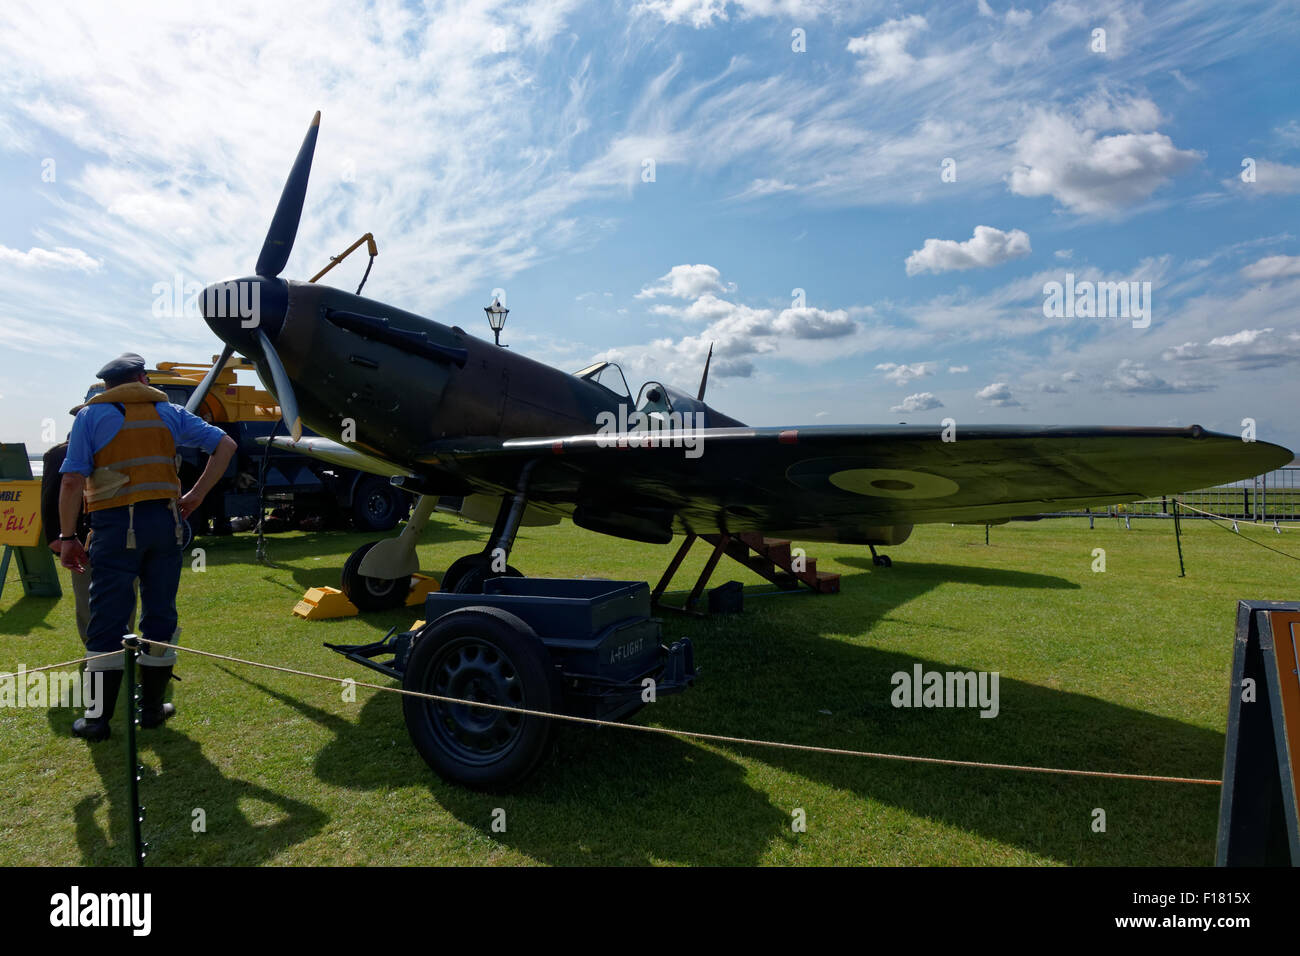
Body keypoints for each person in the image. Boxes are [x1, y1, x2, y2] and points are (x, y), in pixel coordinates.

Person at [58, 352, 237, 741]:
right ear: (142, 379)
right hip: (167, 526)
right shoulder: (169, 412)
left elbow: (72, 481)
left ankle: (96, 720)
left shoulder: (90, 417)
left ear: (108, 386)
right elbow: (225, 445)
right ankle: (152, 710)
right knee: (160, 616)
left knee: (106, 621)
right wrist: (197, 494)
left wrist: (69, 537)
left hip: (115, 528)